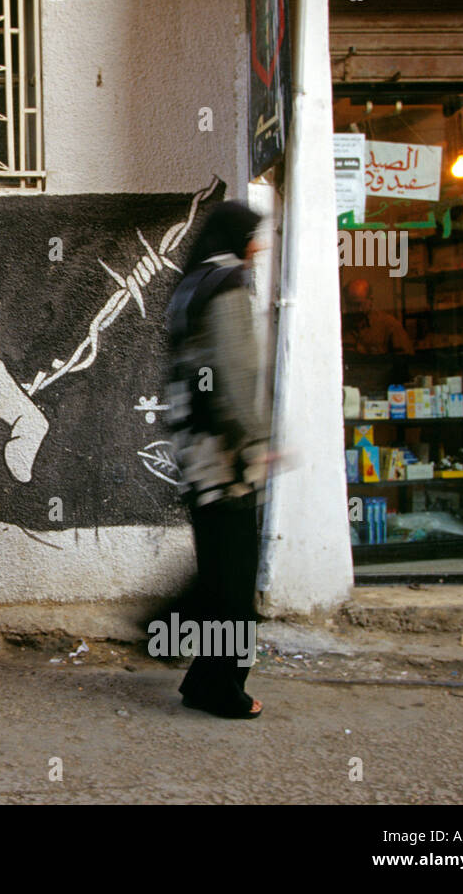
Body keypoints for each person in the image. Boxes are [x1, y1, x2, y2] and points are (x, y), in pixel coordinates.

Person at [164, 201, 271, 719]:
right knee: (235, 583)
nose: (261, 245)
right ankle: (222, 687)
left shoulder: (191, 284)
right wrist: (255, 442)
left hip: (193, 451)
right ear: (237, 237)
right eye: (256, 235)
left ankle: (201, 677)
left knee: (218, 572)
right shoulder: (228, 284)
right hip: (226, 455)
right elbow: (234, 373)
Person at [342, 278, 414, 355]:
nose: (354, 309)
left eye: (358, 304)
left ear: (370, 301)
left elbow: (406, 358)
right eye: (350, 304)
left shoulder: (389, 325)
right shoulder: (339, 324)